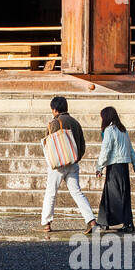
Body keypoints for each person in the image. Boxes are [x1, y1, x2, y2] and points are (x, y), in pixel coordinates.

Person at [41, 96, 96, 236]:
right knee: (77, 192)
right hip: (73, 162)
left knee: (51, 192)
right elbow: (82, 145)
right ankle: (91, 221)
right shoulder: (76, 123)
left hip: (58, 164)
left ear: (54, 109)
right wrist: (76, 157)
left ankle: (47, 223)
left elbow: (49, 144)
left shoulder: (54, 123)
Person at [95, 106, 135, 231]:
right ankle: (128, 223)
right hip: (124, 166)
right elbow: (131, 149)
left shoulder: (110, 131)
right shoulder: (123, 130)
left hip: (114, 166)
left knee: (111, 195)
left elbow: (106, 150)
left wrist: (99, 167)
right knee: (124, 195)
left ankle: (105, 222)